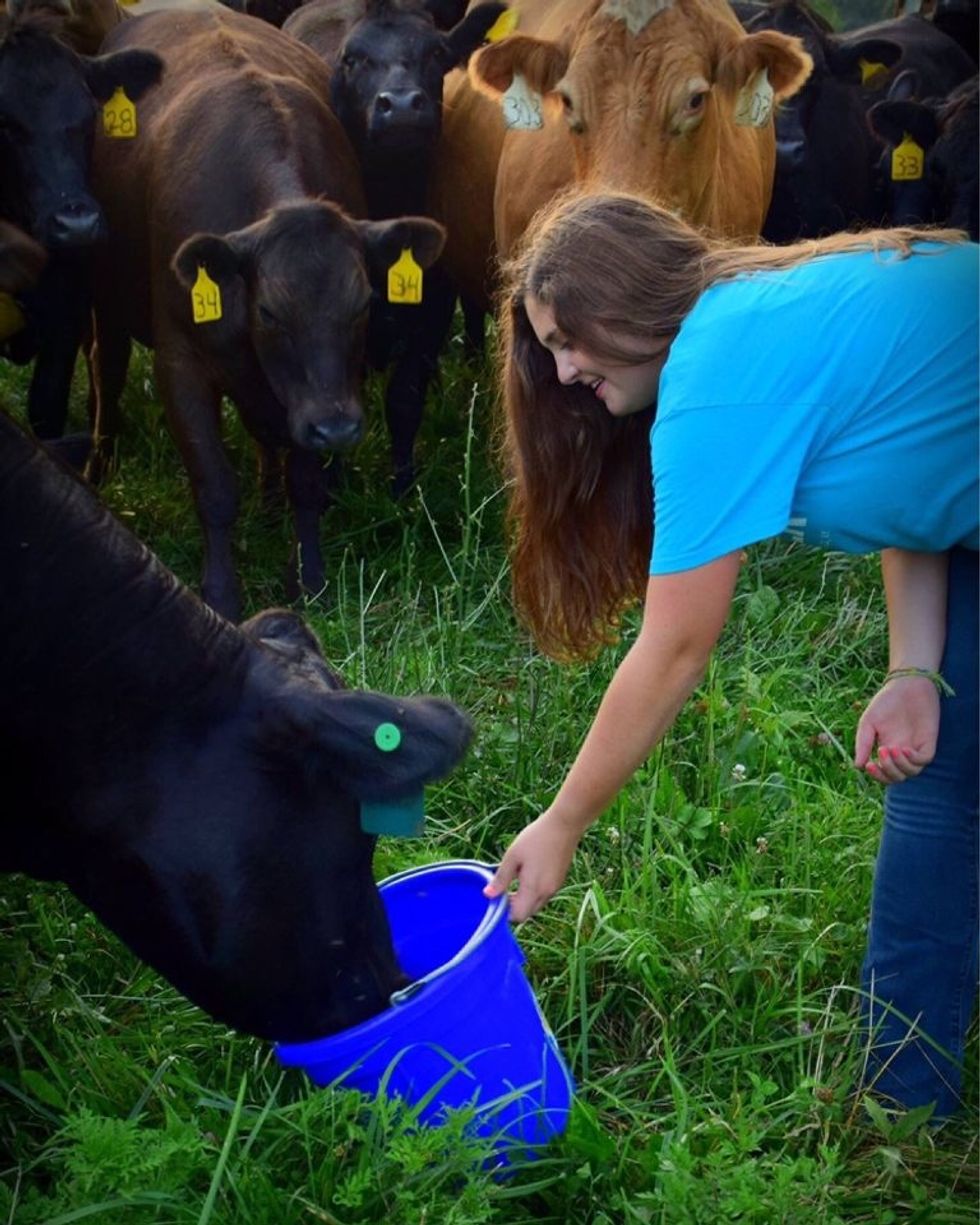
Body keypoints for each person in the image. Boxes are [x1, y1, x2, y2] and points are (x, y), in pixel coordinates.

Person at [482, 191, 978, 1118]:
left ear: (624, 298)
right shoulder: (755, 316)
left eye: (567, 338)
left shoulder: (715, 369)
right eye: (548, 349)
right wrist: (915, 673)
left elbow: (674, 647)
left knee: (947, 796)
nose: (560, 371)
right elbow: (920, 472)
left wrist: (564, 821)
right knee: (941, 781)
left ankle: (905, 1099)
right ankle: (907, 1105)